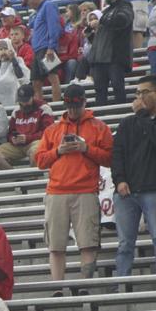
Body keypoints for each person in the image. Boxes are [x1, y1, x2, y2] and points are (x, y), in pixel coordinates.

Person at [35, 83, 112, 286]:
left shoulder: (99, 127)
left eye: (76, 106)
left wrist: (86, 148)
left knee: (88, 242)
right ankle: (58, 287)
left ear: (84, 103)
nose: (72, 110)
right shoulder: (53, 130)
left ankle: (85, 284)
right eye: (69, 106)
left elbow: (110, 158)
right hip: (56, 191)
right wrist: (58, 151)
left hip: (85, 190)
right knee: (56, 245)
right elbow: (39, 161)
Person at [112, 76, 156, 281]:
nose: (140, 97)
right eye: (138, 93)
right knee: (125, 244)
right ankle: (122, 285)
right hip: (127, 191)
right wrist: (119, 180)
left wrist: (141, 114)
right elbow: (117, 153)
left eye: (145, 92)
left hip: (155, 189)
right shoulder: (126, 123)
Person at [90, 0, 135, 106]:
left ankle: (122, 116)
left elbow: (122, 20)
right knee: (99, 92)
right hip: (100, 58)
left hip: (114, 57)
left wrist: (101, 20)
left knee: (118, 89)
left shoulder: (125, 6)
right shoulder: (107, 11)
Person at [0, 84, 51, 170]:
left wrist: (27, 138)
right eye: (21, 101)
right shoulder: (16, 110)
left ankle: (33, 178)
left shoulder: (44, 108)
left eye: (26, 100)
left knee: (36, 151)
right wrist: (12, 139)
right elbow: (10, 132)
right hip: (17, 145)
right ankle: (15, 179)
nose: (23, 103)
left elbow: (48, 132)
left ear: (33, 97)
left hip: (36, 141)